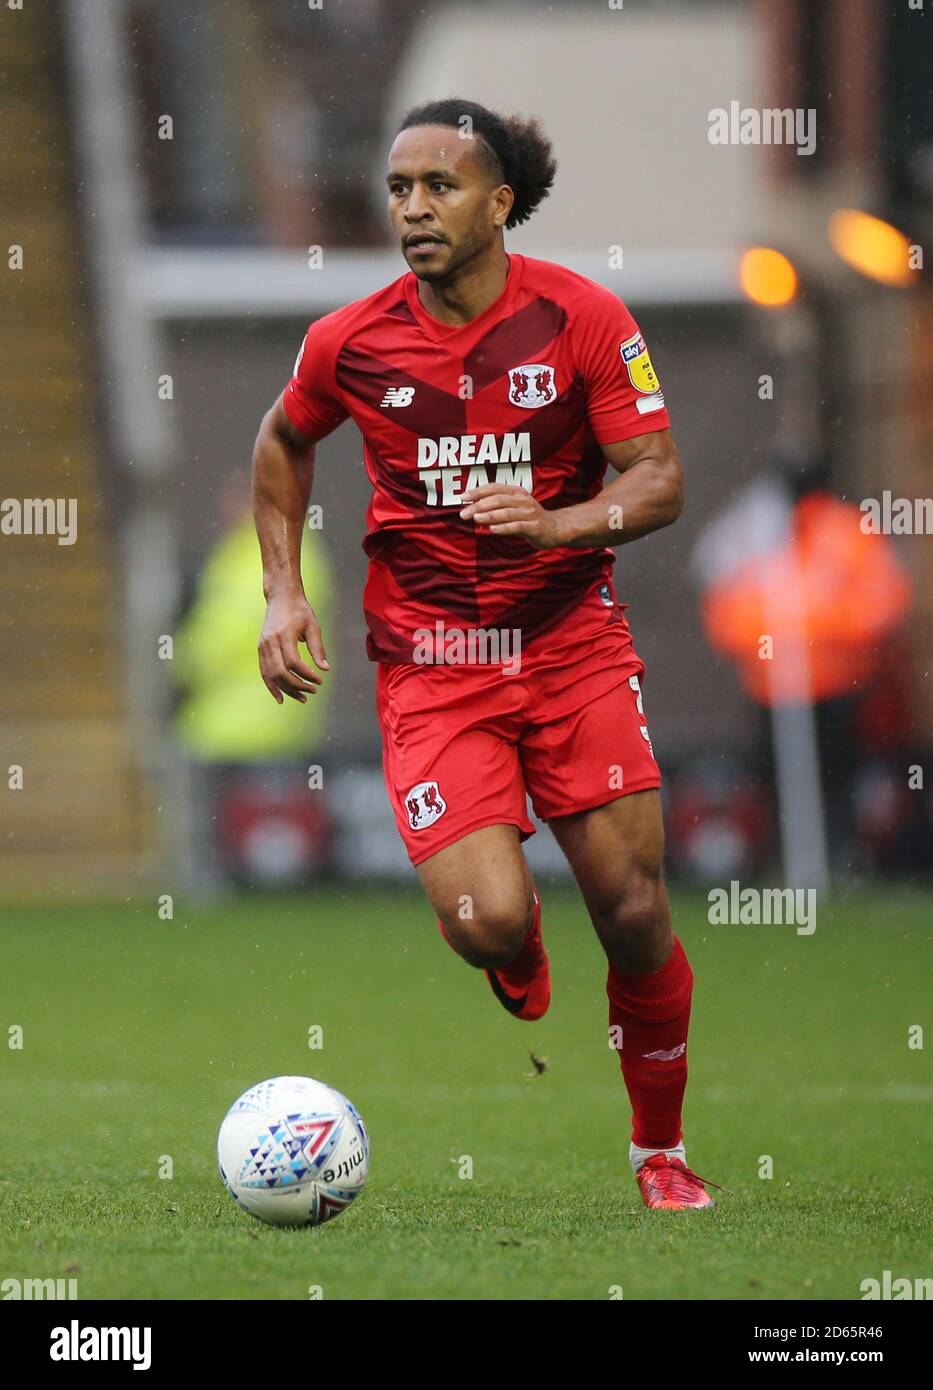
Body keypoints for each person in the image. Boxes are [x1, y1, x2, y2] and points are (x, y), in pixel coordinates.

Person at [252, 98, 721, 1209]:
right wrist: (282, 589)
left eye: (440, 187)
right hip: (433, 664)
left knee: (638, 910)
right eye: (399, 189)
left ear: (499, 203)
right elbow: (280, 438)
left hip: (570, 647)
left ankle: (659, 1152)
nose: (414, 208)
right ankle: (513, 949)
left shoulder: (585, 317)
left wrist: (560, 523)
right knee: (487, 919)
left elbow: (658, 478)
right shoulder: (350, 341)